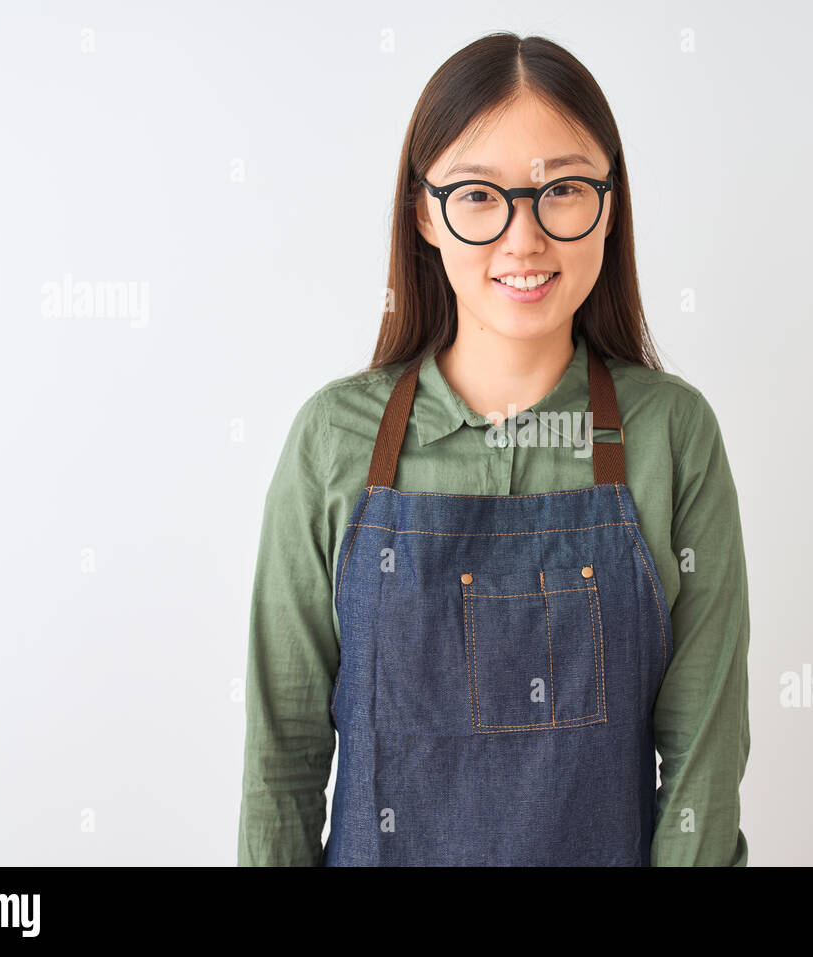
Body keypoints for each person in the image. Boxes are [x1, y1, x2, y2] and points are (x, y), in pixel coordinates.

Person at [237, 32, 750, 866]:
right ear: (424, 214)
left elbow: (704, 763)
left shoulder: (673, 436)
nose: (524, 238)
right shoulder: (333, 442)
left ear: (609, 205)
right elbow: (280, 762)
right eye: (479, 195)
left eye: (564, 189)